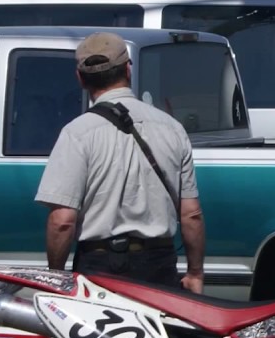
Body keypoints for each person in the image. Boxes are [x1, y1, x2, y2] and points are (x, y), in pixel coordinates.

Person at [35, 32, 207, 293]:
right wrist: (195, 272)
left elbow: (62, 221)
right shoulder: (172, 128)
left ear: (80, 79)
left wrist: (56, 278)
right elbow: (191, 214)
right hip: (158, 265)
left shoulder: (77, 133)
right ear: (128, 70)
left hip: (99, 266)